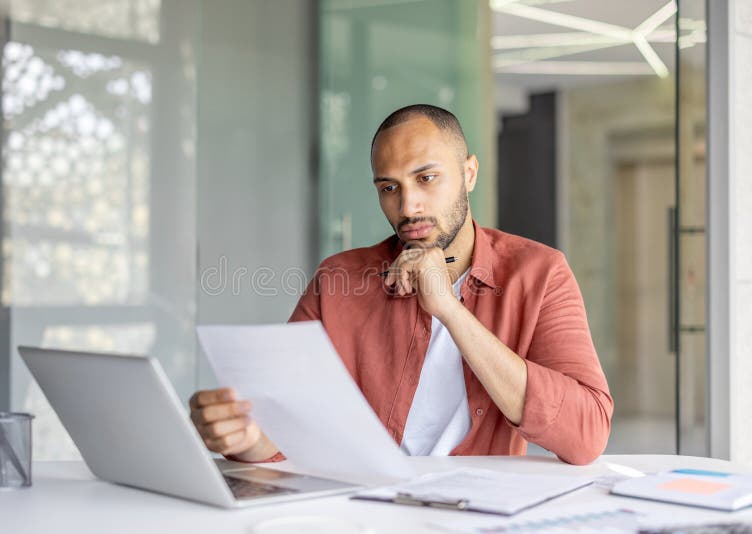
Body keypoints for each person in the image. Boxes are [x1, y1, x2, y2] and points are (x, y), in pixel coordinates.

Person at [189, 104, 612, 466]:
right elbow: (284, 426)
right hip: (361, 512)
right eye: (389, 187)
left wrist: (449, 309)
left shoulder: (539, 273)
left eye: (426, 178)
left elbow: (587, 435)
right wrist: (243, 439)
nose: (408, 206)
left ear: (468, 174)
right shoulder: (338, 279)